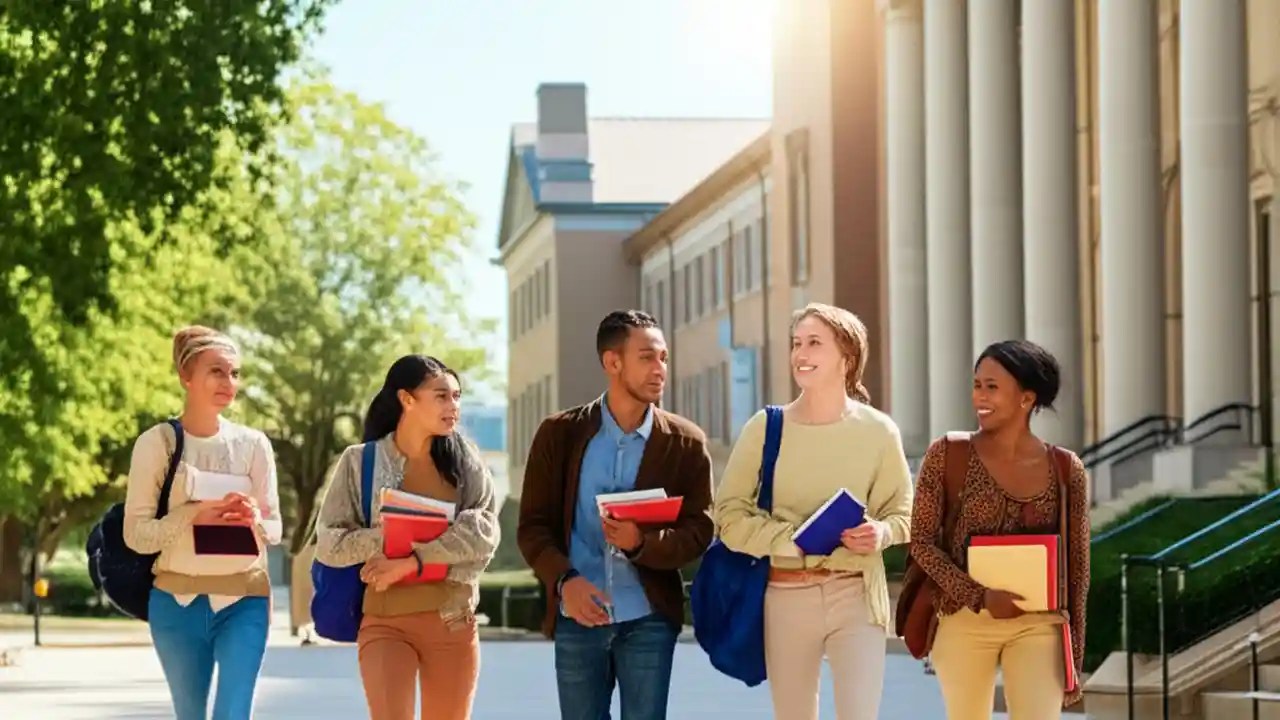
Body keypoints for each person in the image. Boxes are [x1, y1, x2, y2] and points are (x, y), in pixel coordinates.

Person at [712, 302, 914, 720]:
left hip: (857, 594)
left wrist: (881, 533)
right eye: (796, 343)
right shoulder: (765, 428)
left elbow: (905, 514)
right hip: (785, 595)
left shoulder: (879, 431)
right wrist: (790, 539)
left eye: (814, 343)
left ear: (847, 357)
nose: (801, 354)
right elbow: (728, 514)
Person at [517, 309, 714, 720]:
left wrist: (643, 544)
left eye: (663, 357)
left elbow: (699, 530)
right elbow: (533, 528)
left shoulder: (685, 443)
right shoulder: (559, 434)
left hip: (648, 619)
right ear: (612, 362)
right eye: (647, 357)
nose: (659, 368)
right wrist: (564, 581)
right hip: (577, 618)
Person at [909, 339, 1090, 719]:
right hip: (964, 620)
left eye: (992, 387)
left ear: (1026, 398)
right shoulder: (946, 454)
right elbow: (922, 543)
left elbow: (1078, 568)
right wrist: (979, 596)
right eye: (977, 385)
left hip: (1040, 623)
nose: (980, 397)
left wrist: (1074, 655)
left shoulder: (1065, 468)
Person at [314, 355, 499, 720]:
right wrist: (388, 536)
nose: (453, 407)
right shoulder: (359, 461)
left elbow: (485, 532)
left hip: (452, 622)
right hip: (383, 623)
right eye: (442, 396)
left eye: (457, 397)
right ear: (406, 399)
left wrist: (411, 561)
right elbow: (330, 543)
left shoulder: (467, 462)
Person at [123, 325, 282, 720]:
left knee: (233, 713)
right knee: (190, 715)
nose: (229, 382)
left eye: (234, 373)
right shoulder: (157, 443)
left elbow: (276, 529)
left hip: (244, 601)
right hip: (175, 605)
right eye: (216, 371)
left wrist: (255, 518)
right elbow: (136, 536)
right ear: (185, 377)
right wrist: (193, 512)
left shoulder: (254, 445)